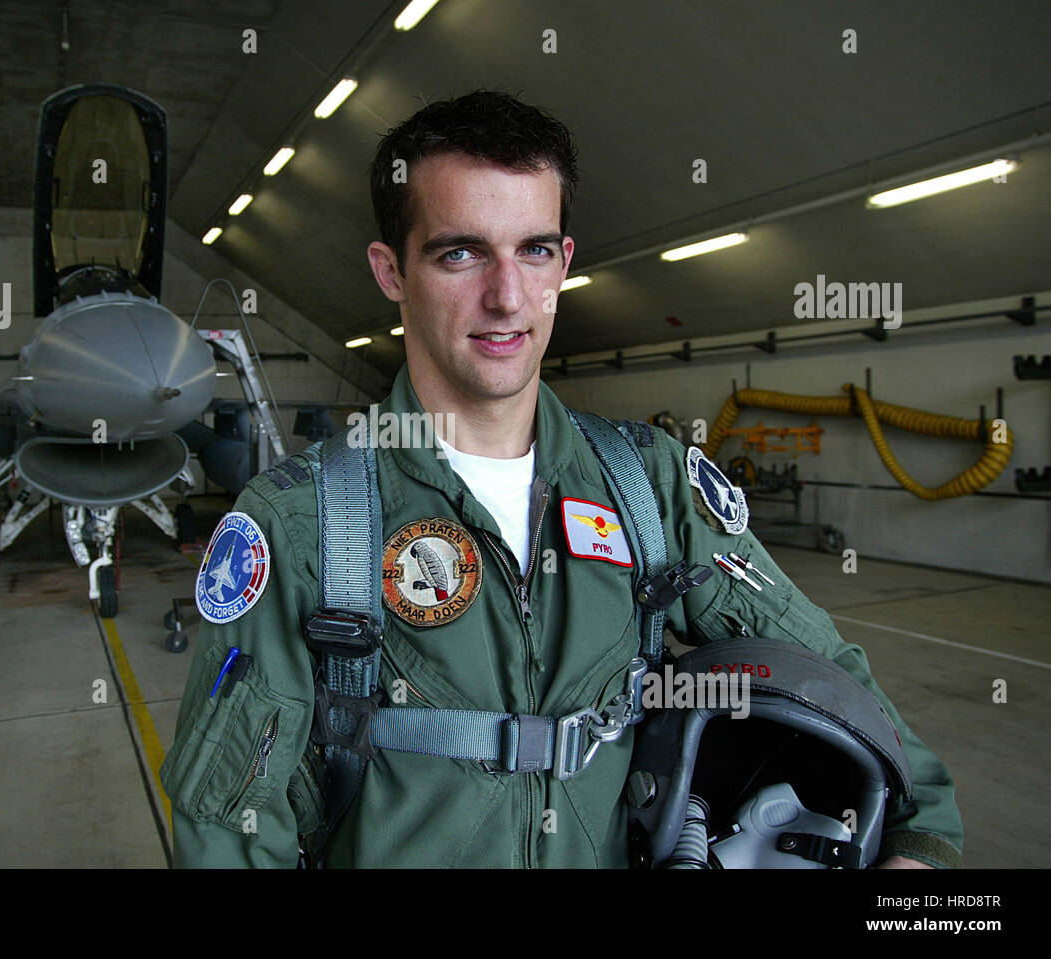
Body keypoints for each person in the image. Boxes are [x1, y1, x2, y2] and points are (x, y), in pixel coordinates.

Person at [161, 90, 963, 869]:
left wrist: (918, 840)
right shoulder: (306, 522)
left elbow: (830, 674)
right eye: (460, 252)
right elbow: (228, 825)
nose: (507, 296)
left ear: (563, 261)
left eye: (534, 249)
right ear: (391, 271)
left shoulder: (648, 487)